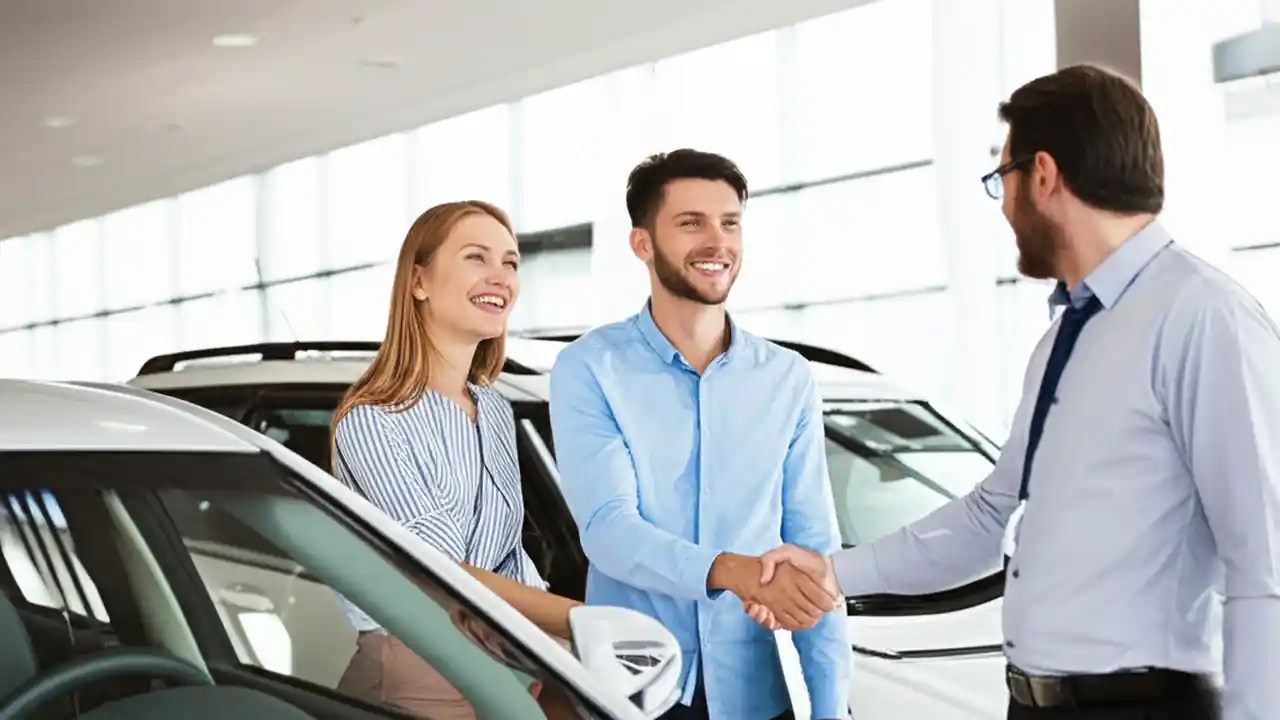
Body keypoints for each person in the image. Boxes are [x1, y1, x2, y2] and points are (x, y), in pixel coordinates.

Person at [756, 64, 1280, 720]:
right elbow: (990, 515)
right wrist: (833, 573)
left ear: (1042, 175)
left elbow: (1266, 565)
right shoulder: (1068, 336)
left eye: (1000, 180)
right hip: (1034, 704)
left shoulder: (1204, 317)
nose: (1002, 206)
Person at [548, 149, 850, 720]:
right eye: (692, 223)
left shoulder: (787, 377)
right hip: (635, 693)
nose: (718, 242)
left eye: (729, 222)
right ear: (642, 244)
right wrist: (733, 572)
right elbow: (609, 531)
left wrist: (830, 707)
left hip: (755, 697)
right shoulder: (590, 368)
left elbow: (815, 549)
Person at [329, 200, 582, 719]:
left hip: (504, 648)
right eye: (477, 257)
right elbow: (441, 573)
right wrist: (580, 619)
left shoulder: (491, 407)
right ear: (418, 281)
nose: (501, 276)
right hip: (424, 659)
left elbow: (506, 552)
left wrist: (568, 645)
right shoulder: (374, 419)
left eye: (511, 262)